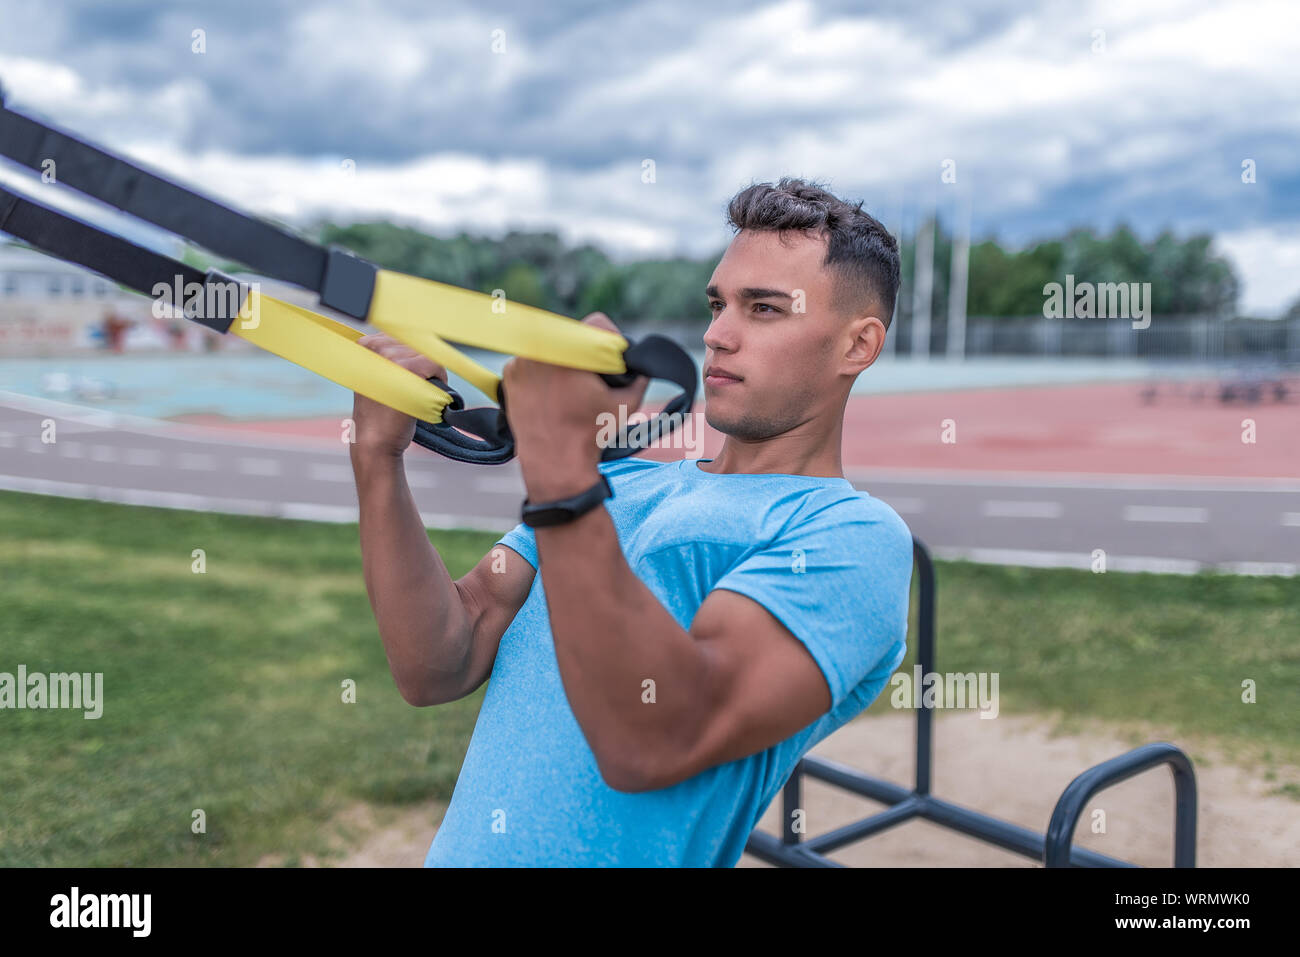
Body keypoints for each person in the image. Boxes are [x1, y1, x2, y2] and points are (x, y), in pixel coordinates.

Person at [349, 177, 914, 867]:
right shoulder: (617, 483)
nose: (717, 335)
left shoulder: (849, 536)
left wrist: (563, 470)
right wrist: (378, 461)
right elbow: (439, 660)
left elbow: (658, 735)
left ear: (857, 346)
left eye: (763, 308)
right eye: (717, 304)